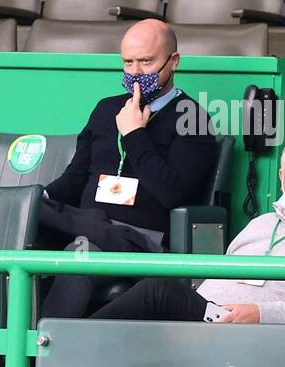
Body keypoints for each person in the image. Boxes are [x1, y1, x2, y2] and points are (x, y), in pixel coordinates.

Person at [93, 129, 285, 325]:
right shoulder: (261, 223)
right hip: (209, 317)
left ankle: (63, 349)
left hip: (259, 329)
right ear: (281, 176)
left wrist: (259, 314)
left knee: (159, 290)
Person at [38, 18, 221, 318]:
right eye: (128, 62)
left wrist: (134, 134)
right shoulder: (106, 109)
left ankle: (38, 358)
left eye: (146, 62)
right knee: (29, 227)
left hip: (141, 239)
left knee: (80, 255)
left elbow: (173, 194)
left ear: (173, 61)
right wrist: (40, 199)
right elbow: (74, 179)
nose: (136, 73)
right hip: (87, 226)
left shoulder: (192, 120)